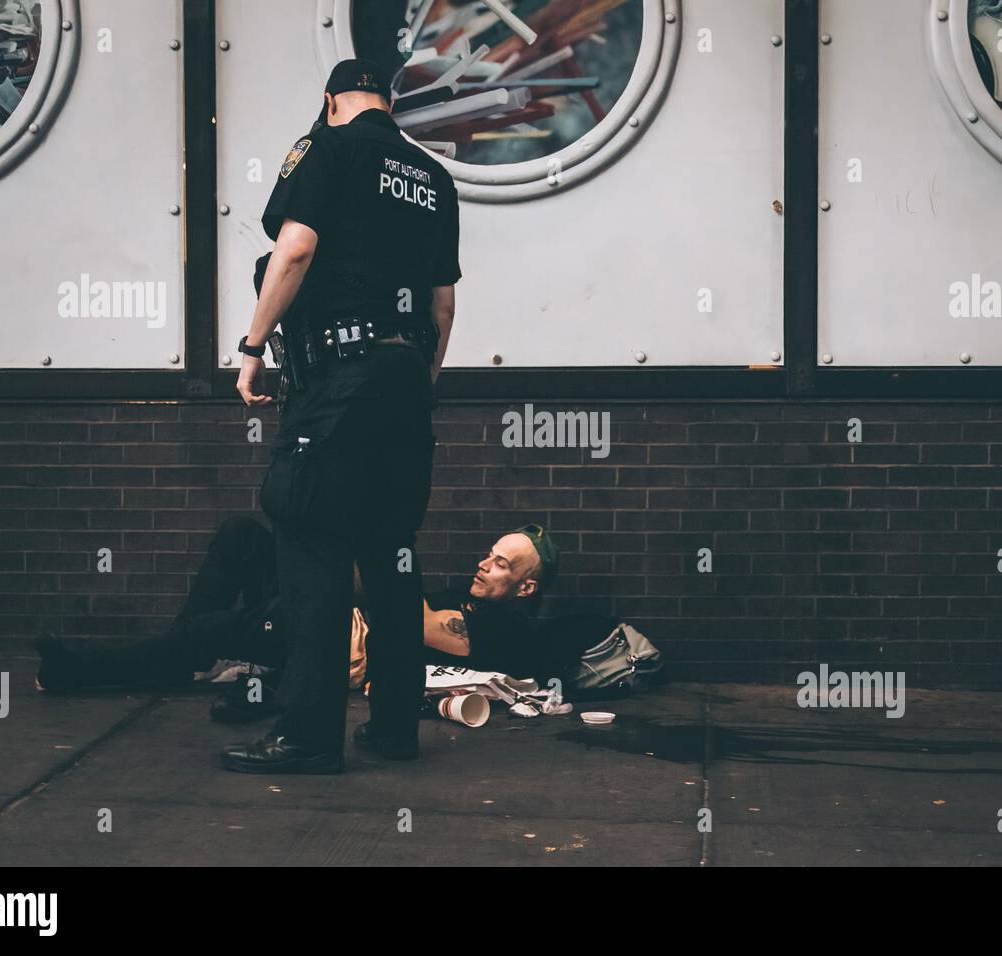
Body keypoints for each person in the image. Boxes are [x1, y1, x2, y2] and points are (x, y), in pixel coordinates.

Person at [226, 57, 460, 773]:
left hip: (339, 375)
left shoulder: (327, 146)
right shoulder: (433, 178)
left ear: (331, 102)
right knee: (391, 551)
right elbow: (443, 304)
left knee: (309, 535)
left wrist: (252, 345)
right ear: (388, 103)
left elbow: (293, 248)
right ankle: (393, 729)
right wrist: (418, 381)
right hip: (405, 379)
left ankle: (306, 735)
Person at [34, 521, 592, 714]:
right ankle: (184, 654)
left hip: (337, 640)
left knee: (208, 631)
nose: (484, 564)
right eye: (489, 553)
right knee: (243, 538)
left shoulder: (506, 627)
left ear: (527, 586)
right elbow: (394, 591)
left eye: (501, 564)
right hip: (336, 607)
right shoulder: (466, 594)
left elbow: (408, 622)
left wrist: (363, 573)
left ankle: (76, 671)